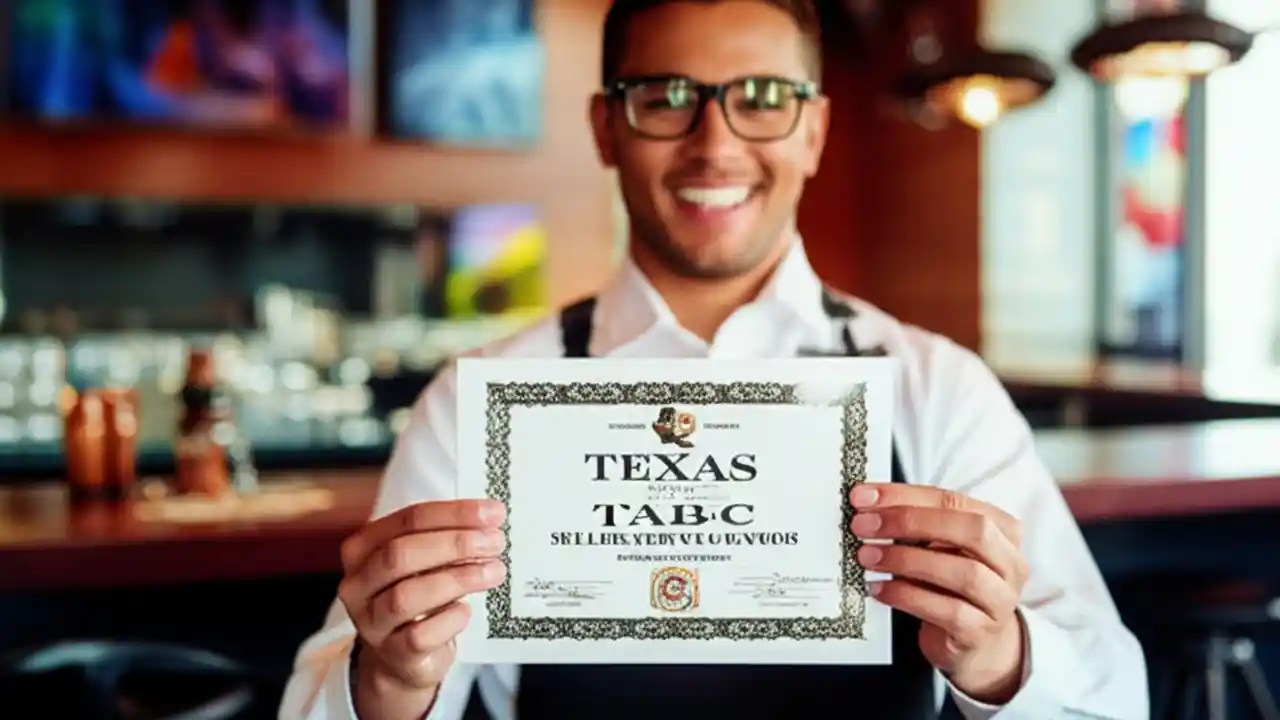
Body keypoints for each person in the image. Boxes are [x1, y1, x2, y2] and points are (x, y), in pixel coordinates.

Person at [279, 1, 1149, 718]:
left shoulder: (936, 387)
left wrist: (1000, 651)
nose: (715, 143)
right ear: (605, 128)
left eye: (763, 97)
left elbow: (1115, 696)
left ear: (813, 130)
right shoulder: (473, 402)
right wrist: (389, 675)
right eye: (665, 97)